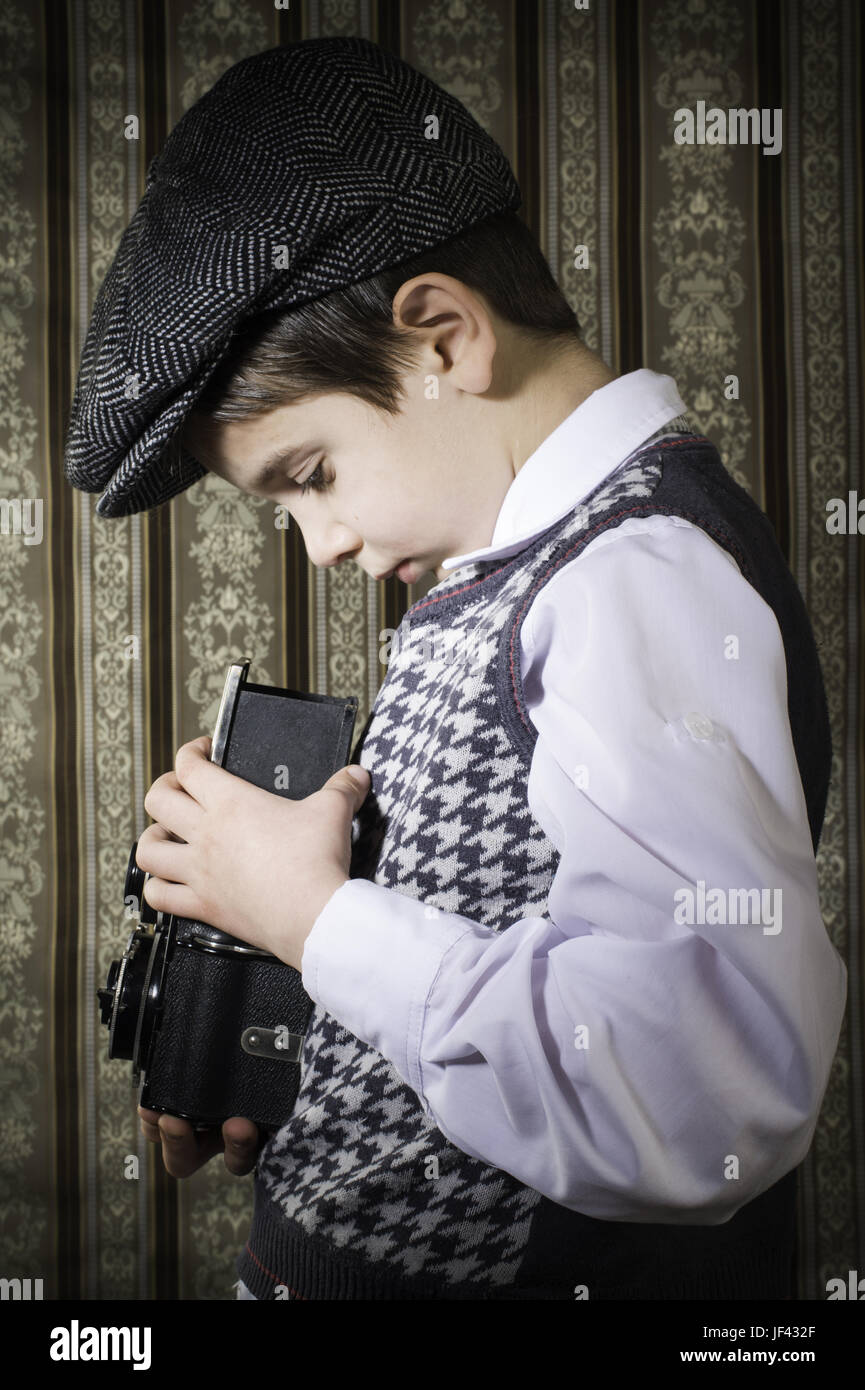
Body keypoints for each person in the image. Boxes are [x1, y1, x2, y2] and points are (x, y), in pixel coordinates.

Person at [64, 38, 847, 1301]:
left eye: (309, 477)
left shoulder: (629, 576)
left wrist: (313, 917)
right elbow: (491, 958)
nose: (319, 545)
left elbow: (702, 1090)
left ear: (440, 336)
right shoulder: (514, 564)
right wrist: (285, 1037)